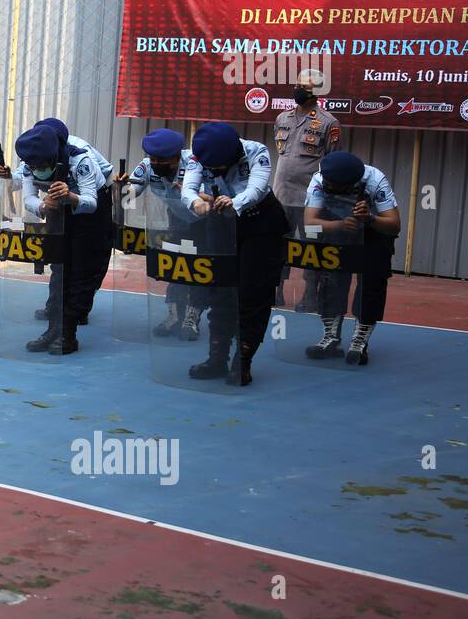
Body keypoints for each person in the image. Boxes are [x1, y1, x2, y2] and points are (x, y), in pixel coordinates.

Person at [180, 122, 289, 386]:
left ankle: (243, 361)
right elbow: (188, 188)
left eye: (219, 167)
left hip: (260, 224)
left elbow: (257, 189)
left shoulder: (255, 151)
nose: (215, 172)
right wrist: (195, 202)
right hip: (221, 223)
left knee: (253, 293)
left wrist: (234, 202)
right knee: (220, 291)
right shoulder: (199, 156)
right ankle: (217, 358)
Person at [301, 151, 401, 365]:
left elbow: (394, 225)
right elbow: (310, 224)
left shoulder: (375, 181)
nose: (326, 186)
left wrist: (370, 218)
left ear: (349, 185)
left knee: (372, 282)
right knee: (330, 280)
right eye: (326, 183)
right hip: (336, 227)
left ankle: (360, 341)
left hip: (372, 230)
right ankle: (330, 336)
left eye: (332, 187)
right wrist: (339, 225)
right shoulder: (319, 179)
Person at [14, 125, 101, 355]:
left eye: (42, 167)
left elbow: (91, 201)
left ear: (54, 157)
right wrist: (43, 206)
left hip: (87, 209)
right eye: (34, 167)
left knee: (79, 270)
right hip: (56, 205)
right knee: (59, 267)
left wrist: (70, 196)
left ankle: (68, 332)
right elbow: (29, 198)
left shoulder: (80, 160)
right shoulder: (29, 164)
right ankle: (53, 329)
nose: (38, 171)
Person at [118, 128, 204, 340]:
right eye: (153, 159)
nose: (156, 164)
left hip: (204, 222)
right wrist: (123, 188)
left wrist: (193, 192)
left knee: (198, 269)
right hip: (177, 219)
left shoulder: (194, 164)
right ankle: (174, 315)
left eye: (163, 161)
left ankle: (192, 317)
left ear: (177, 156)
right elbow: (131, 194)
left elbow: (208, 194)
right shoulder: (147, 166)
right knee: (175, 266)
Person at [272, 69, 340, 310]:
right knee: (278, 247)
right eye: (297, 85)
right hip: (281, 197)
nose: (298, 90)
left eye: (304, 86)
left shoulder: (329, 123)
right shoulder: (282, 118)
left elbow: (331, 162)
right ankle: (276, 291)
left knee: (312, 249)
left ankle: (310, 294)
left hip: (310, 201)